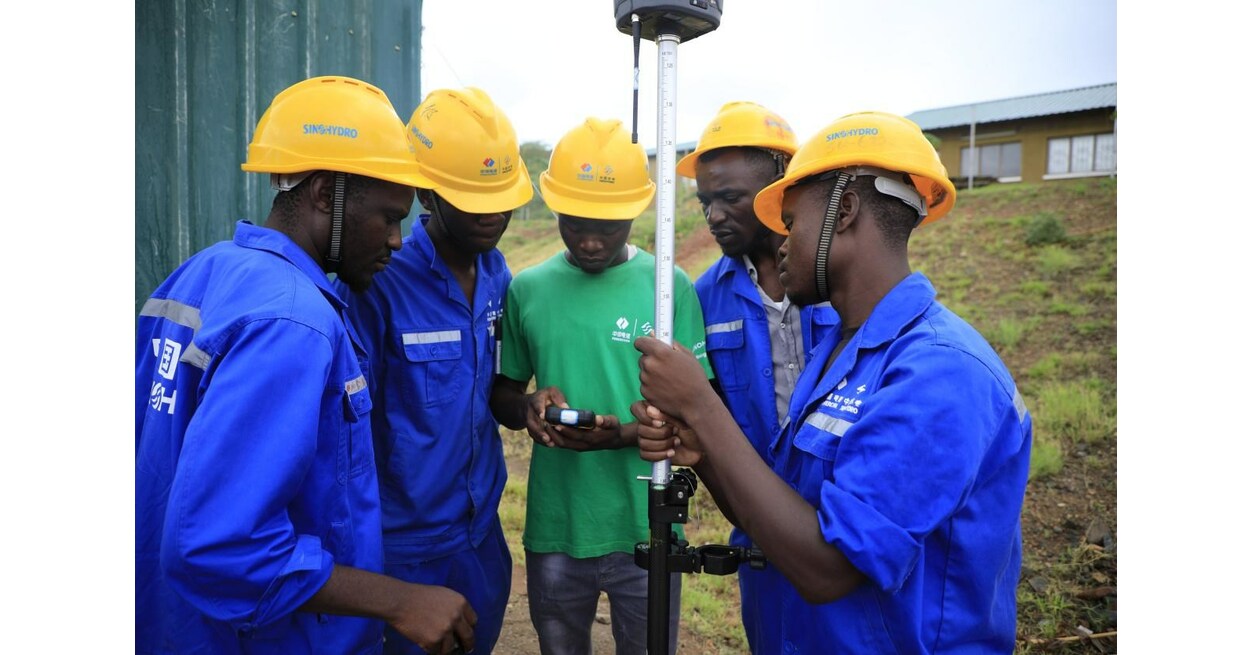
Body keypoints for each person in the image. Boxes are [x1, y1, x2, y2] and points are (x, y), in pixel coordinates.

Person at [632, 111, 1033, 654]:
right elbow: (780, 514)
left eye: (792, 224)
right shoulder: (838, 353)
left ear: (844, 211)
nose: (779, 244)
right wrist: (704, 453)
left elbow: (828, 569)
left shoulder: (941, 374)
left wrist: (702, 407)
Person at [135, 76, 477, 655]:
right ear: (324, 193)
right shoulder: (293, 321)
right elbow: (220, 545)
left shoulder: (202, 273)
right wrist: (400, 600)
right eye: (389, 217)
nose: (397, 241)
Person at [488, 117, 711, 655]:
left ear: (635, 212)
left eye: (608, 227)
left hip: (646, 521)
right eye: (574, 223)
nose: (589, 241)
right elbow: (502, 397)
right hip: (559, 523)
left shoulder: (667, 288)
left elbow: (698, 411)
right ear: (554, 209)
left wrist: (620, 434)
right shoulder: (529, 288)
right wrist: (529, 406)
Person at [335, 86, 532, 655]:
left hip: (479, 537)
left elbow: (494, 392)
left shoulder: (497, 275)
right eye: (474, 199)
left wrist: (527, 407)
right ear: (427, 191)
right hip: (401, 550)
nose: (493, 213)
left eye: (502, 197)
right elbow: (350, 430)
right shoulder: (379, 280)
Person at [677, 101, 839, 654]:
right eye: (705, 202)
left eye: (730, 198)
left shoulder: (839, 282)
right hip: (759, 537)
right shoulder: (702, 299)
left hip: (846, 525)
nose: (714, 215)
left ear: (779, 189)